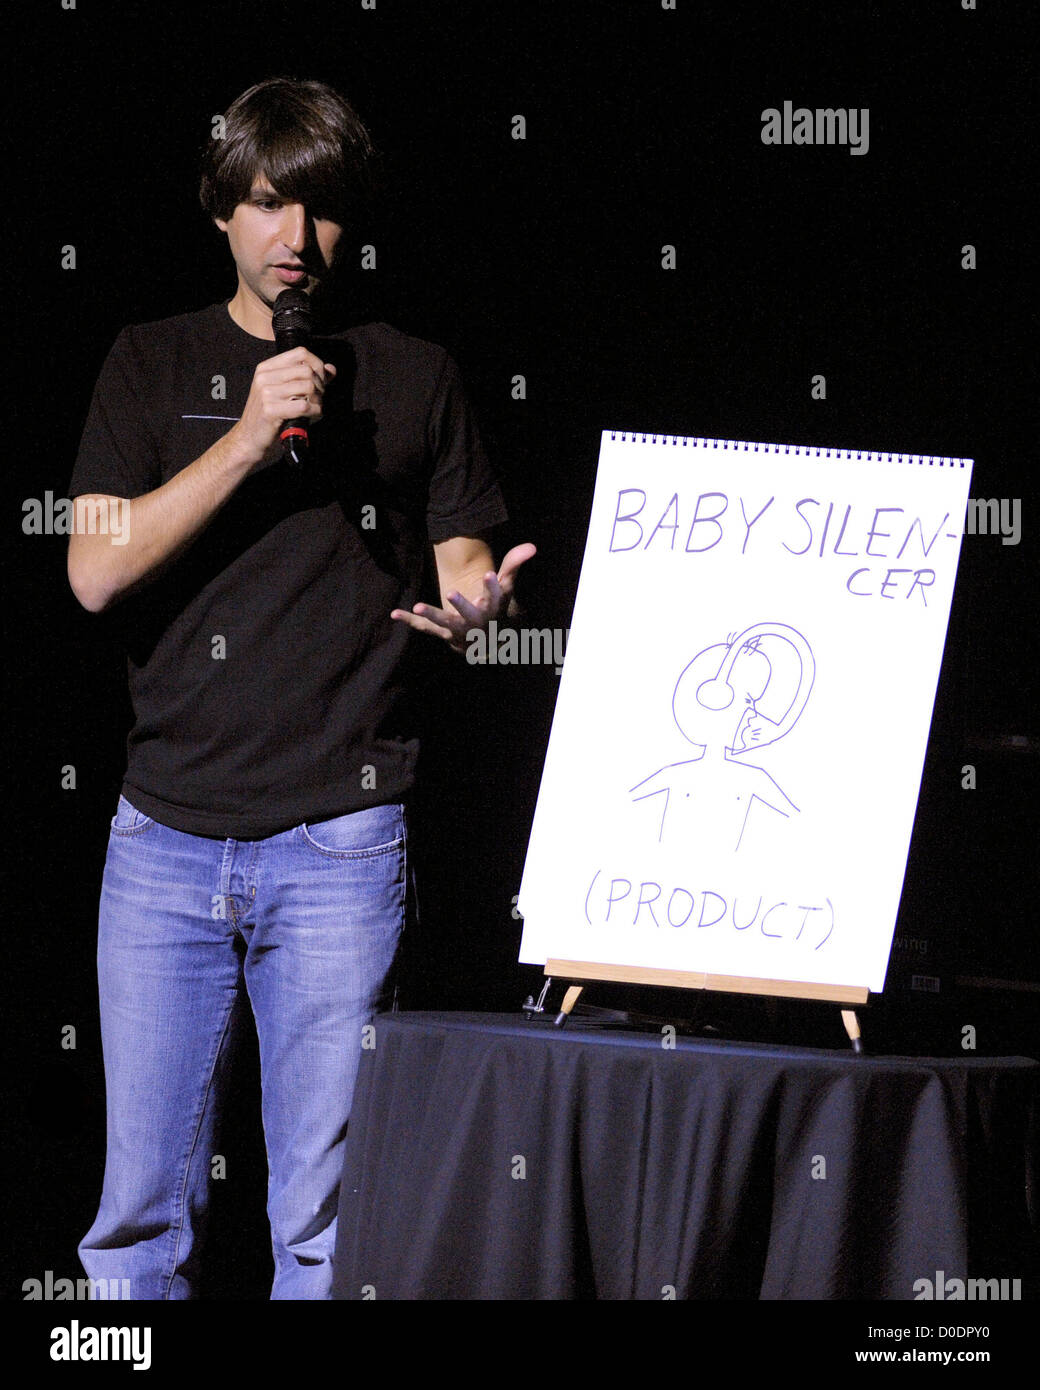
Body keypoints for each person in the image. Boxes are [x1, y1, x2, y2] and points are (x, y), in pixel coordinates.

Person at [67, 76, 534, 1300]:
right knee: (135, 1227)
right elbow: (94, 570)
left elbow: (464, 557)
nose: (295, 239)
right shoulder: (148, 359)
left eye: (319, 210)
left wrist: (480, 601)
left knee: (323, 1226)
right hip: (163, 841)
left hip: (340, 842)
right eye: (269, 204)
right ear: (222, 212)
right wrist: (240, 436)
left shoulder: (414, 373)